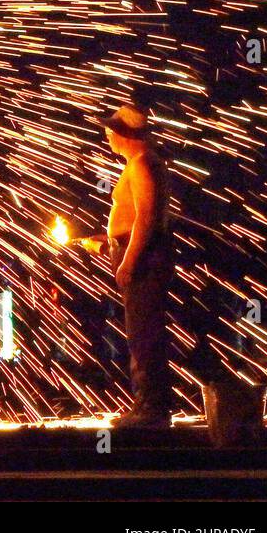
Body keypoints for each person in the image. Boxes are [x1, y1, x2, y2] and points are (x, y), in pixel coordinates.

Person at [77, 104, 174, 427]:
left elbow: (146, 219)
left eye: (110, 131)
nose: (106, 136)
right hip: (137, 251)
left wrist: (130, 259)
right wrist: (107, 242)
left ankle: (152, 409)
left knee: (143, 332)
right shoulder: (140, 162)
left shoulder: (143, 164)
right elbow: (134, 220)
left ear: (124, 135)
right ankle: (147, 404)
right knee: (140, 330)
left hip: (144, 258)